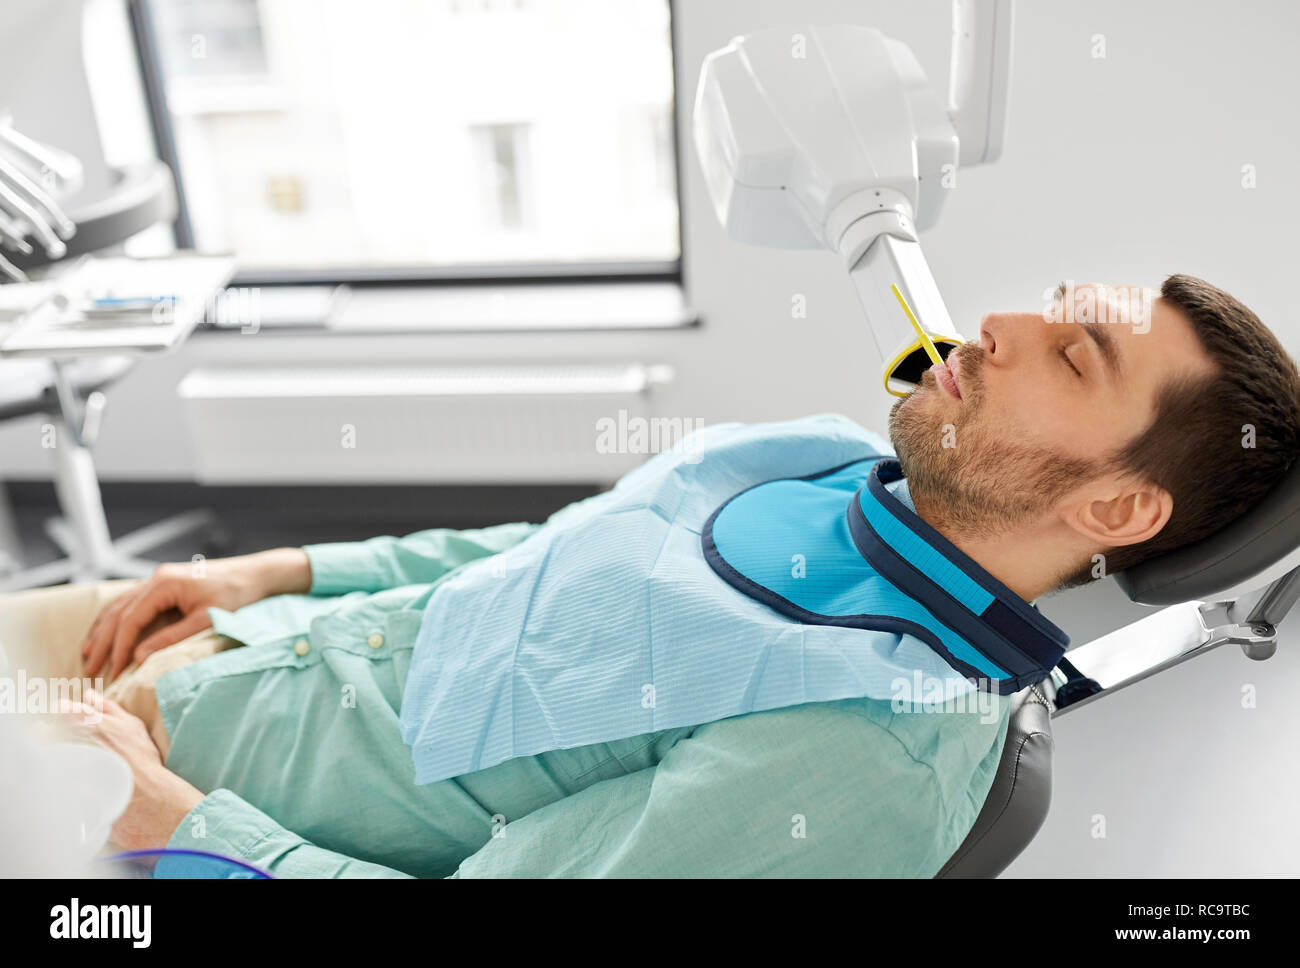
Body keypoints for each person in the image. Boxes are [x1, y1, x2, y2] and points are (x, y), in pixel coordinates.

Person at [7, 274, 1298, 878]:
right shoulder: (814, 458)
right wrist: (278, 572)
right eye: (1053, 305)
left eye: (1072, 359)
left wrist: (184, 834)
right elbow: (533, 562)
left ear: (1120, 504)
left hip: (139, 828)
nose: (1003, 322)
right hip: (209, 655)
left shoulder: (867, 746)